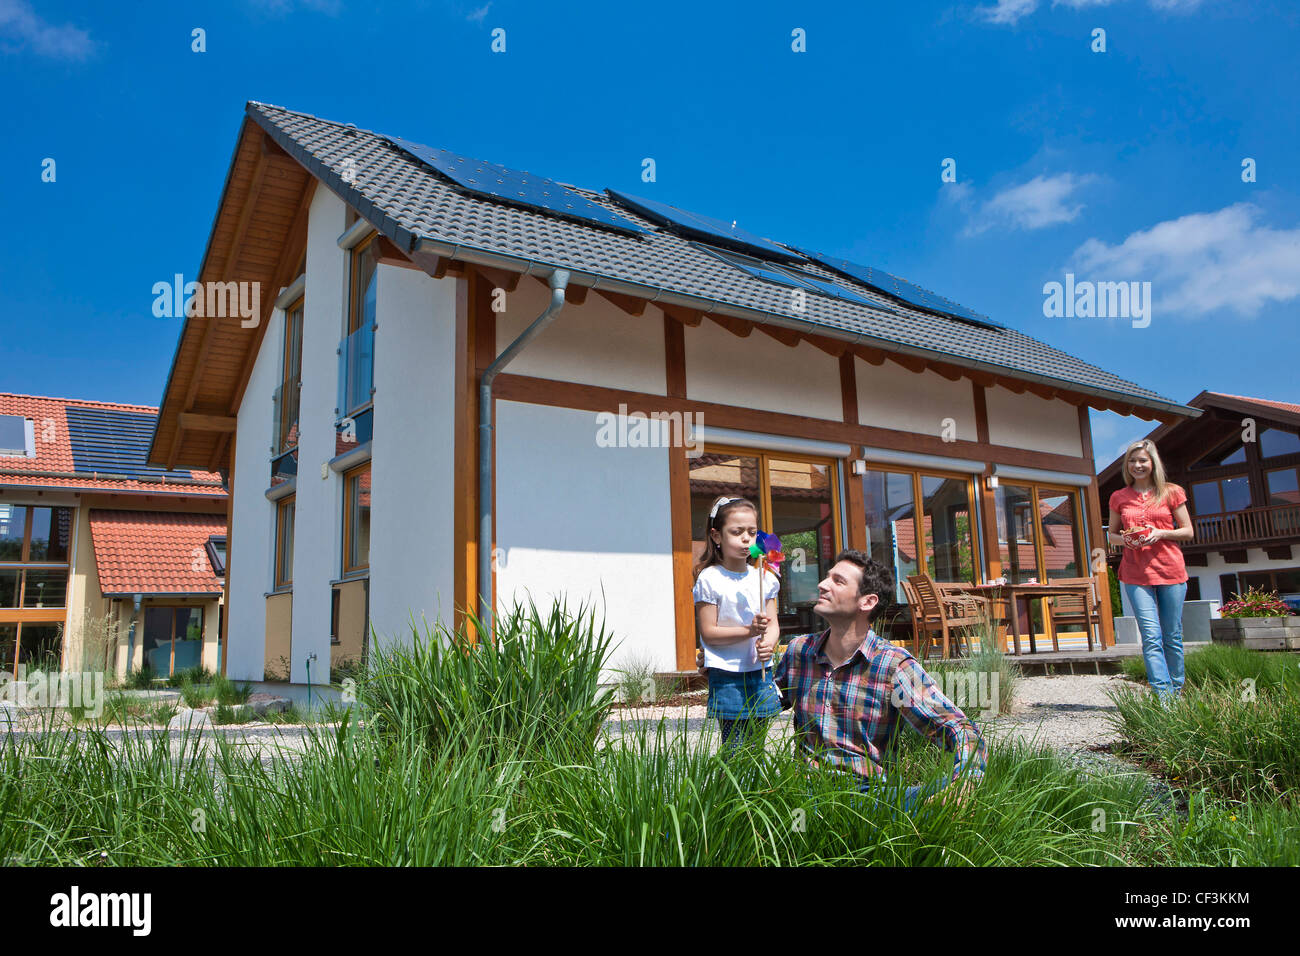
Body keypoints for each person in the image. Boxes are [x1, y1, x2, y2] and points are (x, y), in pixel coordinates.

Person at [773, 550, 987, 815]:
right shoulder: (798, 651)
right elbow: (761, 702)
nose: (822, 584)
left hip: (869, 797)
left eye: (838, 581)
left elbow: (957, 726)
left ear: (867, 602)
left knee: (940, 791)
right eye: (827, 578)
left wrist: (964, 782)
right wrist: (724, 671)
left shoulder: (893, 665)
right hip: (803, 794)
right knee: (742, 785)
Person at [692, 495, 782, 756]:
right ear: (717, 536)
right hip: (727, 673)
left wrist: (768, 643)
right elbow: (709, 633)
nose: (746, 539)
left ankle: (754, 792)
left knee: (757, 745)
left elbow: (774, 624)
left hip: (759, 669)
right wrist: (749, 631)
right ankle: (732, 794)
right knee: (734, 747)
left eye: (752, 532)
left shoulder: (765, 577)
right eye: (737, 532)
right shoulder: (710, 579)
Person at [1107, 438, 1194, 702]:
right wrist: (1127, 539)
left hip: (1170, 571)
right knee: (1151, 636)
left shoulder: (1171, 492)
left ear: (1152, 462)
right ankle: (1163, 698)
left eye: (1142, 460)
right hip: (1135, 574)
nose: (1137, 465)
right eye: (1132, 461)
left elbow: (1188, 531)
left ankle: (1177, 693)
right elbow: (1112, 536)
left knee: (1172, 635)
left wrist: (1160, 533)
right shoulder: (1119, 497)